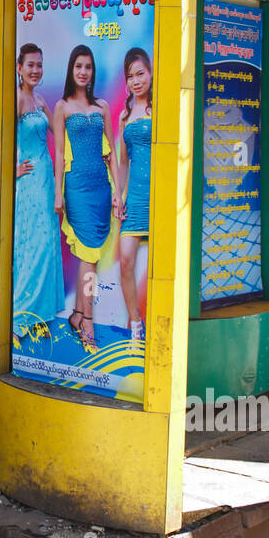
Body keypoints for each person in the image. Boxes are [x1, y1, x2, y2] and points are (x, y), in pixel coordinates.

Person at [53, 46, 121, 354]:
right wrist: (58, 193)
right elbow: (58, 157)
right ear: (71, 70)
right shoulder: (62, 107)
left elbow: (112, 154)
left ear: (92, 72)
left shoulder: (103, 106)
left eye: (88, 67)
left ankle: (78, 313)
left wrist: (118, 191)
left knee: (88, 257)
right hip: (76, 190)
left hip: (101, 190)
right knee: (90, 256)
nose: (83, 71)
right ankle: (88, 320)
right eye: (78, 66)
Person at [12, 44, 64, 337]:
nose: (35, 70)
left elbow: (60, 134)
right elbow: (0, 136)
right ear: (19, 68)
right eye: (30, 65)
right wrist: (11, 169)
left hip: (47, 181)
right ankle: (21, 315)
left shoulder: (41, 100)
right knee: (32, 246)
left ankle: (40, 315)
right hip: (29, 184)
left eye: (39, 65)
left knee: (47, 244)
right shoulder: (17, 99)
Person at [117, 47, 152, 350]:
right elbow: (123, 162)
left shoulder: (161, 108)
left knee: (157, 268)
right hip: (135, 199)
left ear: (151, 73)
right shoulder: (125, 116)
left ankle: (160, 322)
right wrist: (119, 196)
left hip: (160, 197)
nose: (136, 81)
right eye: (131, 76)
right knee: (126, 261)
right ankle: (134, 324)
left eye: (141, 73)